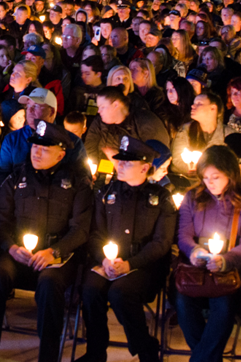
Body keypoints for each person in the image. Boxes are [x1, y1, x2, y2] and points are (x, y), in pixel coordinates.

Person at [0, 120, 93, 362]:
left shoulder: (76, 183)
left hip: (56, 256)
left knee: (50, 284)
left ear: (61, 154)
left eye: (44, 149)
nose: (36, 153)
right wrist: (10, 247)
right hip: (18, 252)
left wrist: (54, 251)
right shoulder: (16, 177)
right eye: (34, 147)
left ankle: (47, 357)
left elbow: (80, 230)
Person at [77, 135, 177, 362]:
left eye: (127, 162)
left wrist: (130, 264)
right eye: (119, 160)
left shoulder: (161, 198)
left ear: (144, 167)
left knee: (120, 294)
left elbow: (161, 243)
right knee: (91, 290)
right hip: (108, 262)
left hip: (143, 266)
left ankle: (146, 350)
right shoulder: (106, 193)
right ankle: (95, 352)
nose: (119, 165)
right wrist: (103, 259)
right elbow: (96, 234)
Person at [175, 145, 241, 362]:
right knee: (183, 303)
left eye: (215, 177)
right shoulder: (192, 198)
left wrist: (226, 260)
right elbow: (183, 234)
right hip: (194, 269)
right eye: (205, 178)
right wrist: (194, 251)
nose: (210, 183)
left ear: (230, 174)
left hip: (227, 271)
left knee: (223, 307)